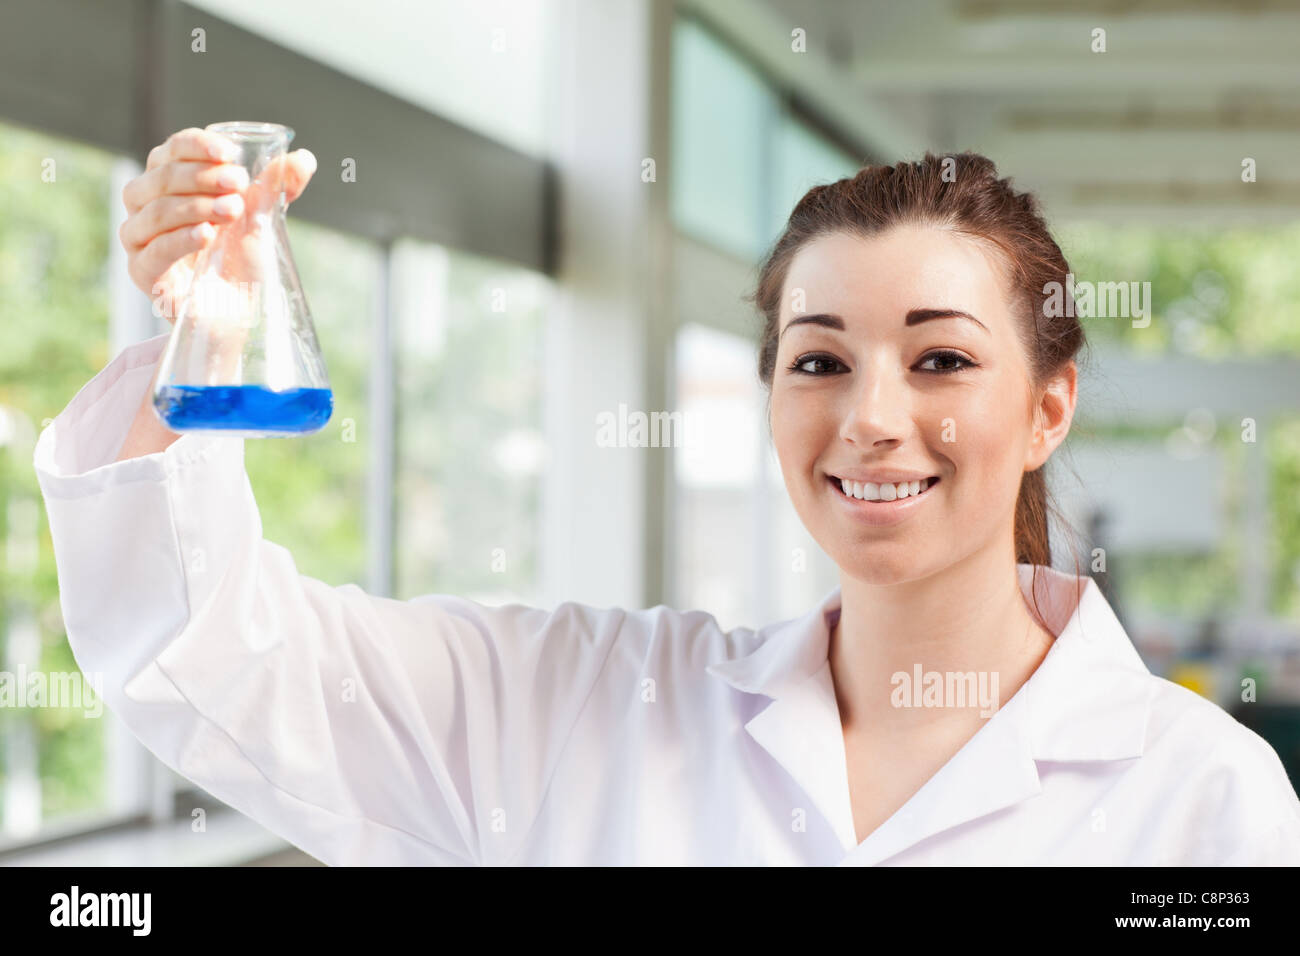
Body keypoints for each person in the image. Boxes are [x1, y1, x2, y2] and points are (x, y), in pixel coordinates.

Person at [34, 131, 1300, 866]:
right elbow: (222, 661)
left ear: (1048, 409)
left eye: (941, 358)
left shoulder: (1202, 799)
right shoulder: (583, 710)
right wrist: (205, 336)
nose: (869, 414)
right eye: (817, 358)